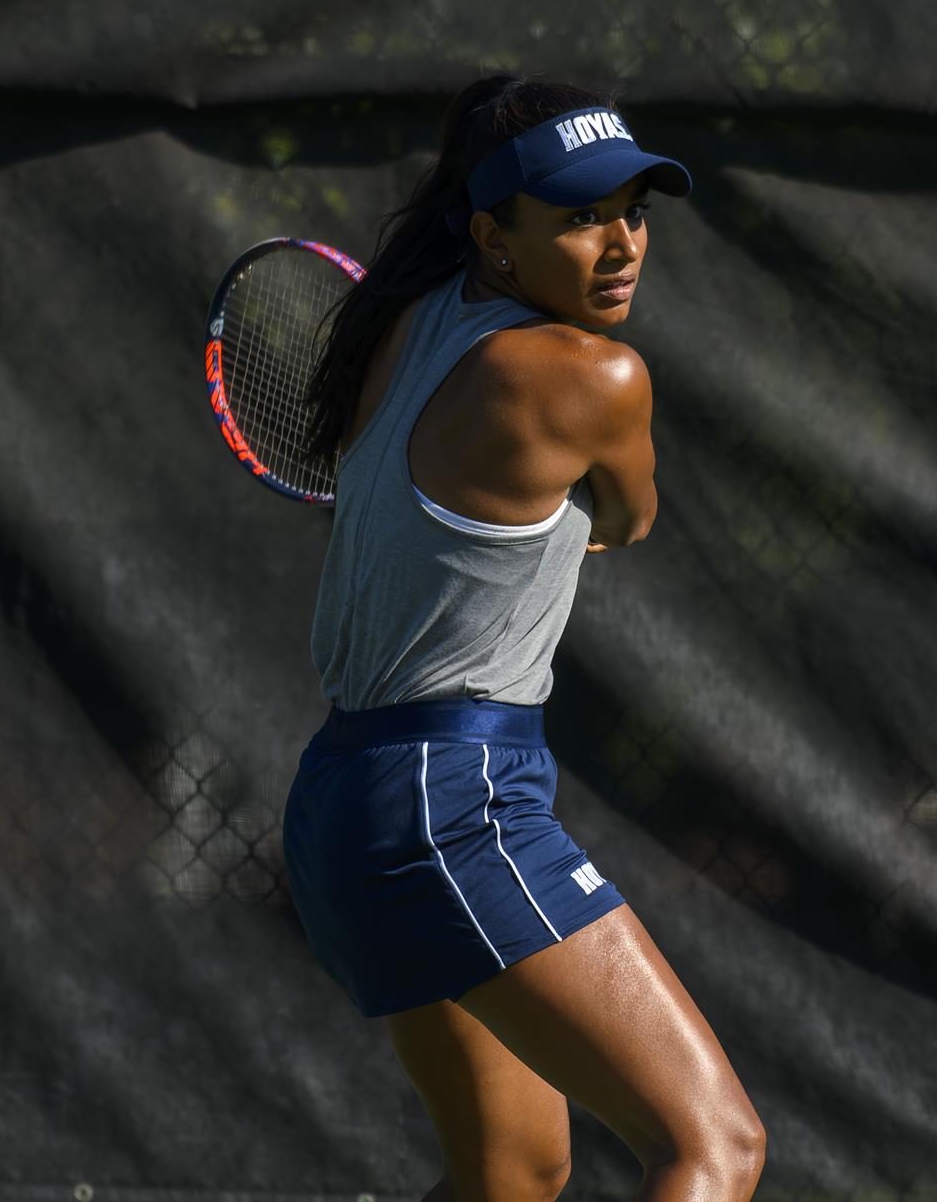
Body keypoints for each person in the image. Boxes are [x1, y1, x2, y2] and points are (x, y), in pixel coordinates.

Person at [283, 73, 766, 1200]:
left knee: (510, 1176)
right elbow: (633, 515)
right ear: (493, 238)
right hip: (447, 801)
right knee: (713, 1146)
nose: (620, 245)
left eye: (634, 211)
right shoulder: (593, 375)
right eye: (581, 217)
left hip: (343, 800)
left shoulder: (401, 325)